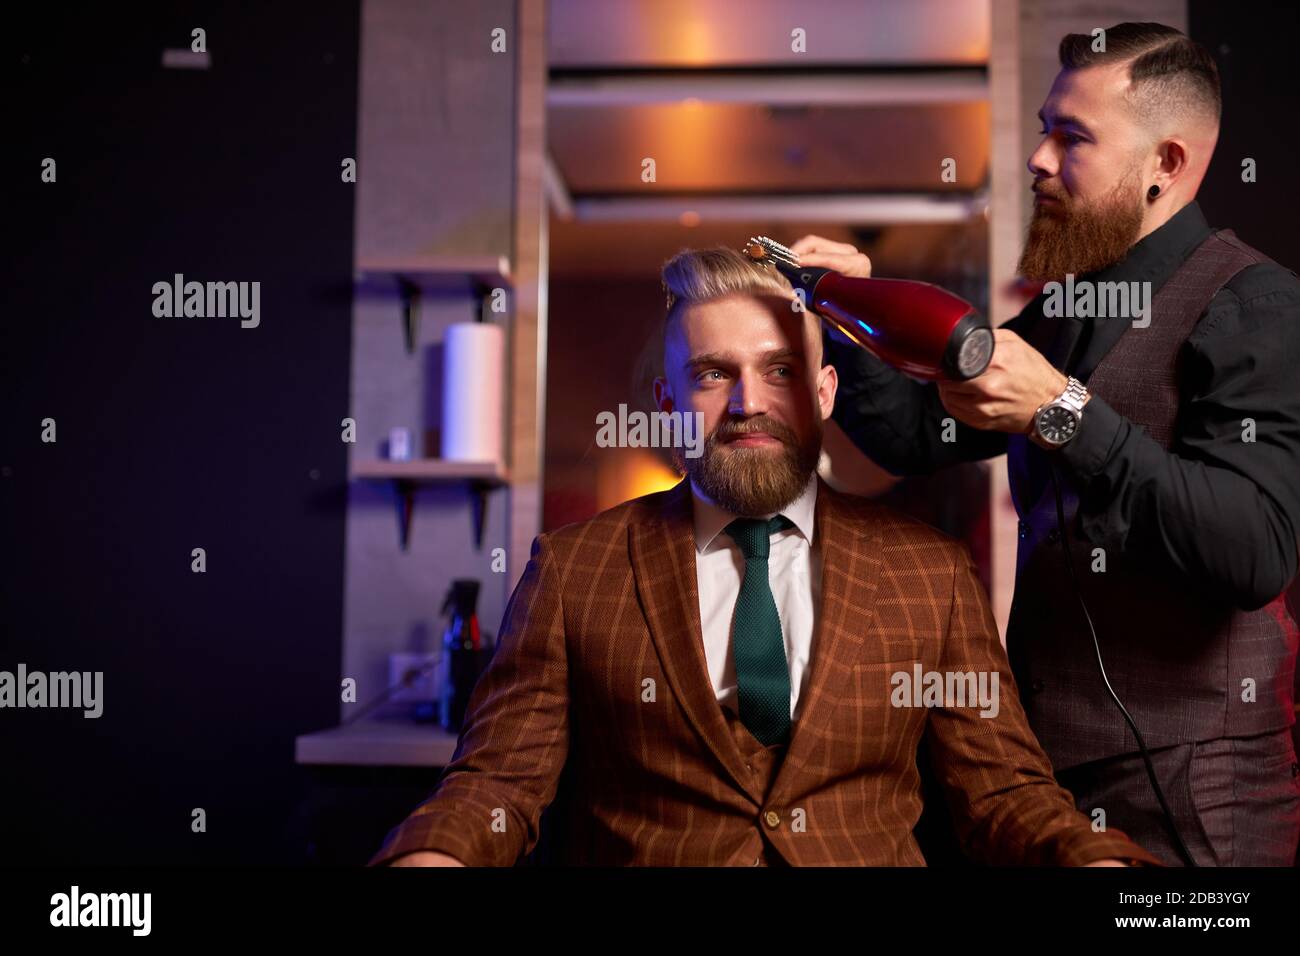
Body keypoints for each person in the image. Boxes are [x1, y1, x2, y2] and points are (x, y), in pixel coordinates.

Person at [369, 247, 1155, 867]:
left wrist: (1090, 865)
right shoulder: (575, 570)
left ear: (823, 393)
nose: (747, 403)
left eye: (778, 371)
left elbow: (1004, 793)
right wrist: (435, 855)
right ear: (670, 402)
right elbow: (500, 780)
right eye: (714, 375)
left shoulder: (931, 572)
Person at [795, 21, 1300, 866]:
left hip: (1199, 803)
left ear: (1165, 165)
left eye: (1072, 137)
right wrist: (843, 307)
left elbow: (1253, 550)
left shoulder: (1257, 303)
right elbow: (916, 432)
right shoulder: (1068, 309)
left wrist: (1063, 412)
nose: (1037, 158)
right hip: (1046, 785)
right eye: (1042, 128)